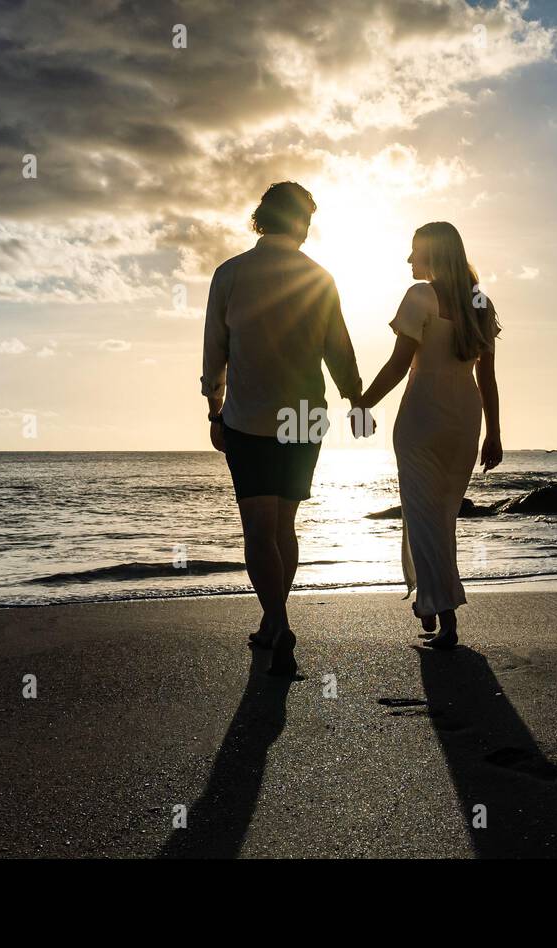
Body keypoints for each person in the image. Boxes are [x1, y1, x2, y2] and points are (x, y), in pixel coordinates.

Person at [201, 182, 362, 676]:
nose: (310, 227)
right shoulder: (319, 277)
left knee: (259, 530)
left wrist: (214, 408)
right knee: (285, 526)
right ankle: (275, 623)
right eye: (307, 218)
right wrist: (355, 398)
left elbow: (215, 350)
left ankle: (279, 621)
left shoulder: (230, 274)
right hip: (305, 415)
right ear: (297, 223)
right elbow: (338, 346)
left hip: (249, 417)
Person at [353, 222, 502, 649]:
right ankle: (430, 603)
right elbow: (487, 378)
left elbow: (400, 365)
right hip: (464, 418)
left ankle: (445, 613)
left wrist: (363, 401)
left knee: (424, 518)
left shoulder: (420, 297)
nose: (408, 259)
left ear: (432, 253)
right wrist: (494, 433)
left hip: (422, 418)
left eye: (414, 250)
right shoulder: (480, 301)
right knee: (439, 518)